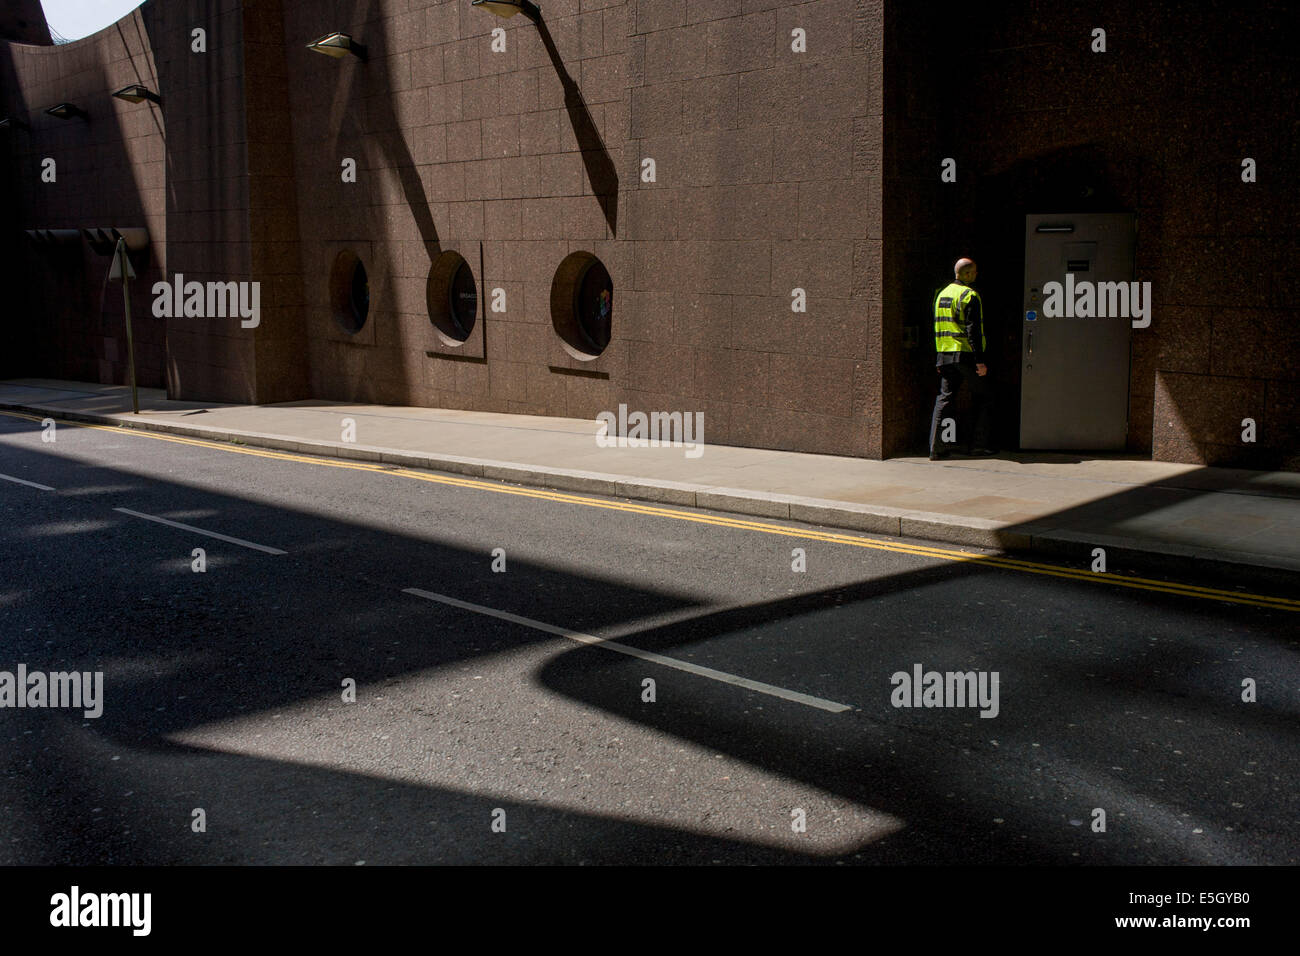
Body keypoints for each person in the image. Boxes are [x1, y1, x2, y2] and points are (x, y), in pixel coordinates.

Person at [929, 257, 994, 460]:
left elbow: (938, 325)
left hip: (944, 354)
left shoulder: (941, 294)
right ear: (966, 274)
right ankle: (978, 446)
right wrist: (980, 361)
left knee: (945, 398)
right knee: (983, 396)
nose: (976, 275)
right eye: (974, 272)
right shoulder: (969, 295)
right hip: (965, 354)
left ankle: (936, 449)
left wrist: (940, 358)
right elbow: (973, 331)